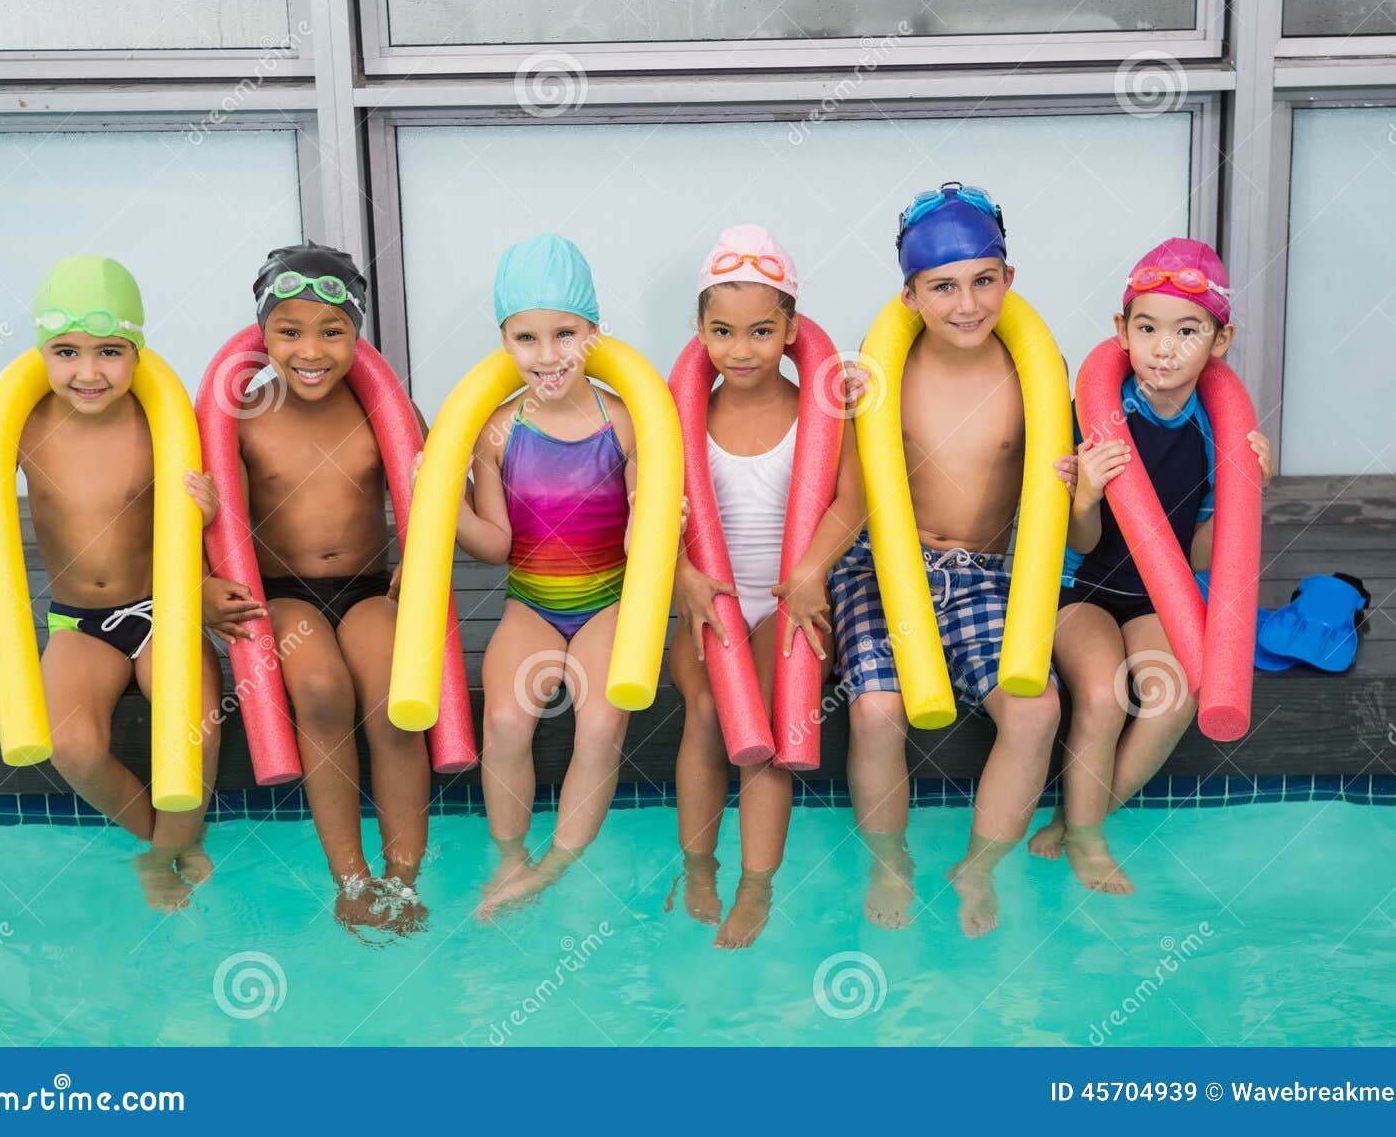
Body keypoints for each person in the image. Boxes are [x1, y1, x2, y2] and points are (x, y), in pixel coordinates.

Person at [0, 255, 222, 913]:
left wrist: (207, 513)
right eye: (66, 351)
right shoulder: (24, 424)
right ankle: (159, 841)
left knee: (198, 728)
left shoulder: (161, 422)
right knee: (70, 746)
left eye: (110, 352)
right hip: (79, 619)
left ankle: (175, 844)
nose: (88, 371)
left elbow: (210, 522)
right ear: (41, 351)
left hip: (164, 610)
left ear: (137, 351)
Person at [828, 184, 1063, 936]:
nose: (967, 303)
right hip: (885, 568)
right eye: (944, 286)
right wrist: (810, 570)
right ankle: (890, 858)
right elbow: (850, 495)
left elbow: (1071, 489)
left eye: (983, 280)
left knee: (1037, 710)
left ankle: (979, 866)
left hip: (988, 575)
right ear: (911, 294)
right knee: (874, 709)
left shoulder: (1037, 368)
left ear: (1010, 278)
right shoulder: (878, 373)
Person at [1031, 238, 1273, 892]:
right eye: (1147, 328)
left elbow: (1199, 554)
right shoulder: (1101, 412)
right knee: (1105, 694)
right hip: (1080, 590)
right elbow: (1077, 541)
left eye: (1186, 330)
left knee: (1172, 697)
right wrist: (1085, 490)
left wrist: (1244, 489)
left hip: (1154, 596)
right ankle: (1086, 840)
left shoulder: (1215, 431)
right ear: (1122, 332)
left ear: (1219, 341)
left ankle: (1084, 818)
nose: (1163, 347)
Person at [207, 242, 430, 938]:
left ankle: (402, 877)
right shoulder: (239, 415)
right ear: (262, 334)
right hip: (282, 592)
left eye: (332, 331)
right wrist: (204, 586)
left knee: (395, 699)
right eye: (290, 331)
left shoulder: (387, 411)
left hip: (365, 586)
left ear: (357, 334)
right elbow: (200, 521)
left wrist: (419, 559)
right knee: (325, 691)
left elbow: (433, 496)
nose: (311, 350)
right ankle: (352, 878)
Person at [666, 225, 865, 948]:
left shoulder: (820, 409)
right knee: (704, 709)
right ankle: (698, 864)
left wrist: (812, 570)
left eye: (759, 331)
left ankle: (757, 882)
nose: (740, 349)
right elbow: (652, 505)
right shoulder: (682, 415)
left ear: (789, 331)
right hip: (708, 595)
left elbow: (854, 497)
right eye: (722, 331)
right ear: (699, 331)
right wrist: (684, 575)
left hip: (792, 599)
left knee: (770, 734)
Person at [455, 234, 644, 921]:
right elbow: (496, 545)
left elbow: (635, 543)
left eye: (565, 333)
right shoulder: (498, 431)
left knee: (598, 723)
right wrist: (448, 505)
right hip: (532, 602)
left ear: (594, 332)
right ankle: (510, 856)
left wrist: (663, 519)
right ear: (504, 340)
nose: (548, 354)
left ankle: (557, 861)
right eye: (526, 336)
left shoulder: (622, 423)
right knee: (505, 719)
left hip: (604, 604)